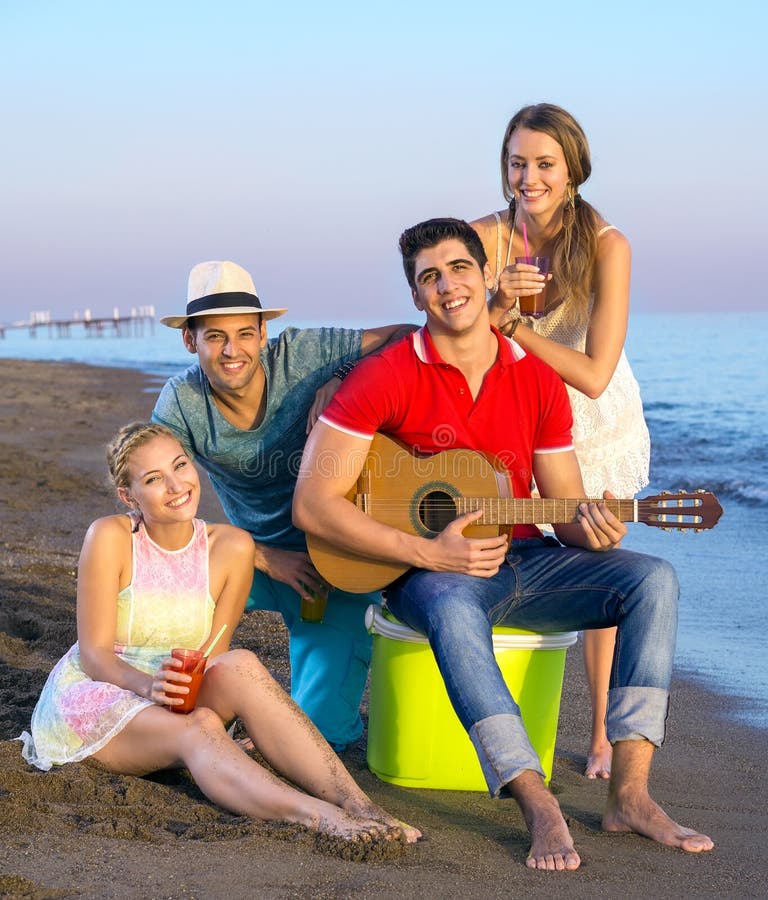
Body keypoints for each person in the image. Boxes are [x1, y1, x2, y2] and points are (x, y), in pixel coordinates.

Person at [293, 218, 713, 870]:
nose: (447, 286)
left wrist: (595, 526)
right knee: (456, 605)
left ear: (486, 277)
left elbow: (566, 506)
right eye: (429, 277)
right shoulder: (387, 374)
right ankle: (535, 799)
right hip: (429, 573)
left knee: (653, 579)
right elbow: (313, 503)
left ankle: (630, 795)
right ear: (416, 297)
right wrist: (427, 553)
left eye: (459, 268)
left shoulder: (538, 379)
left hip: (526, 559)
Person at [18, 422, 420, 844]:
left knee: (240, 664)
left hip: (173, 694)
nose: (176, 486)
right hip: (100, 695)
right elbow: (95, 655)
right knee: (201, 727)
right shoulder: (111, 537)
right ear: (129, 496)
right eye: (154, 479)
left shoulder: (232, 547)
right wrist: (150, 686)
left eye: (180, 466)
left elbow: (214, 657)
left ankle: (359, 805)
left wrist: (187, 698)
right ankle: (321, 818)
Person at [151, 260, 414, 750]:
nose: (233, 351)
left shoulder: (304, 354)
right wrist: (265, 557)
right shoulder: (181, 402)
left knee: (320, 736)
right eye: (214, 337)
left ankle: (281, 719)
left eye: (245, 334)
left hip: (337, 560)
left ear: (264, 332)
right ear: (190, 340)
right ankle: (196, 707)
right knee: (163, 588)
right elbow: (158, 502)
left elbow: (409, 336)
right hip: (247, 559)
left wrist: (344, 377)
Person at [472, 103, 651, 779]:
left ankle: (604, 730)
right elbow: (441, 328)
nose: (529, 177)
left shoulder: (608, 244)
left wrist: (513, 327)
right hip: (514, 415)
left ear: (573, 168)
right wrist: (491, 301)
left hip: (590, 415)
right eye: (517, 162)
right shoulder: (483, 237)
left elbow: (597, 375)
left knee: (601, 556)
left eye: (544, 163)